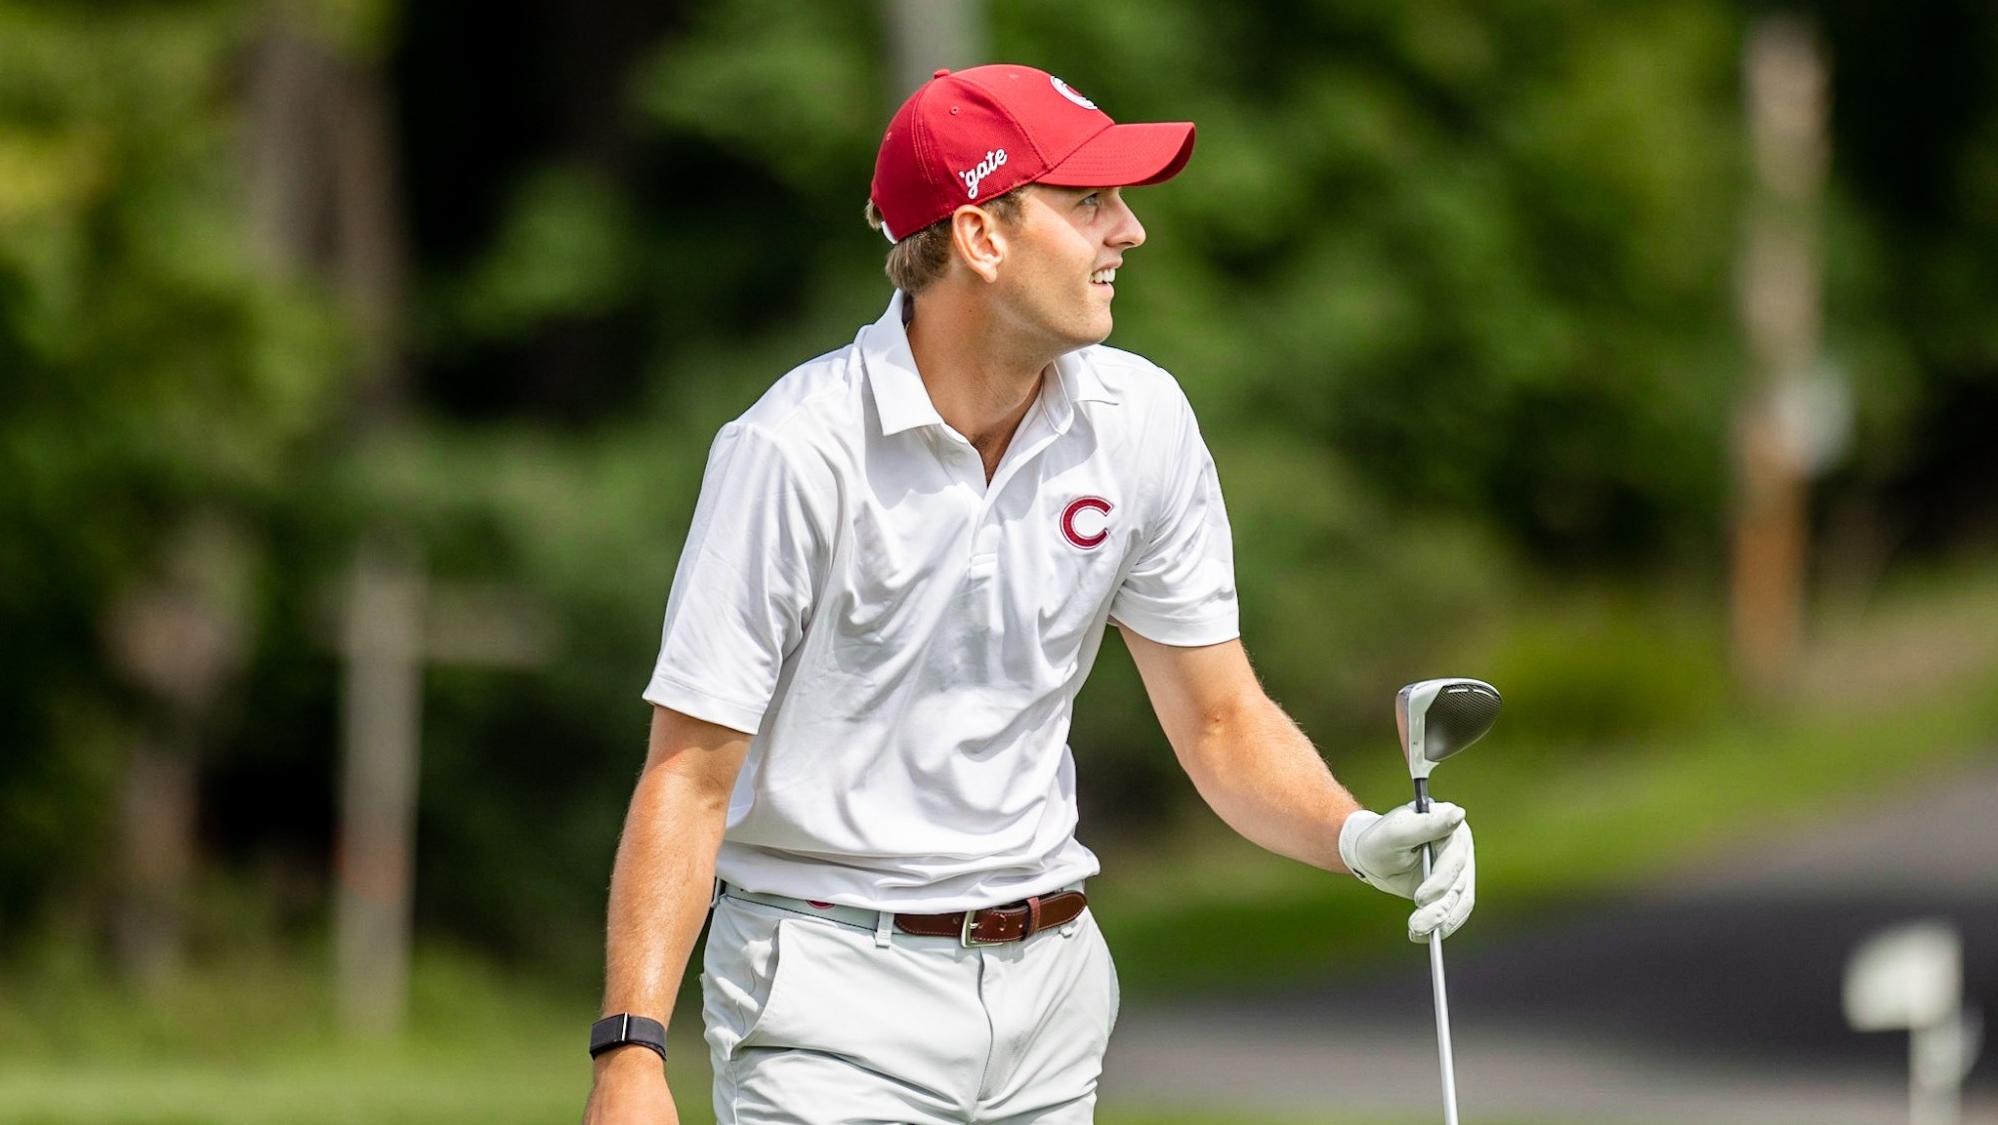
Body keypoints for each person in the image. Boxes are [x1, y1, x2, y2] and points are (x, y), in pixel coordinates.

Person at [581, 64, 1476, 1125]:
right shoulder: (794, 449)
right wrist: (630, 1052)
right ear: (981, 237)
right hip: (827, 994)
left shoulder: (1138, 420)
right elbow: (688, 777)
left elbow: (1221, 720)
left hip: (1050, 996)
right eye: (1088, 201)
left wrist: (1351, 834)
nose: (1128, 231)